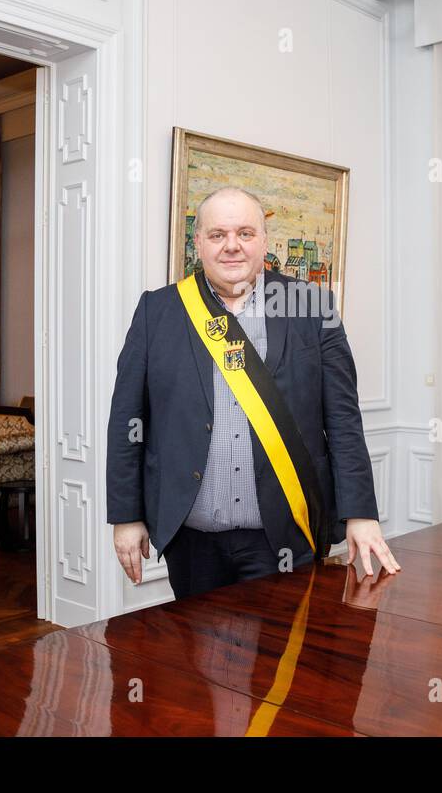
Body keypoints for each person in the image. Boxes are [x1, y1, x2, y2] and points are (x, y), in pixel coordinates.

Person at [106, 186, 400, 600]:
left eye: (245, 233)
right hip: (192, 540)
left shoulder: (311, 306)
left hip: (285, 535)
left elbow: (343, 420)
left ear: (264, 241)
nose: (232, 246)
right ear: (198, 242)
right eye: (217, 235)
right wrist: (127, 517)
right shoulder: (158, 311)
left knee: (288, 658)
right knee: (193, 660)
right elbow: (127, 420)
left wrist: (361, 514)